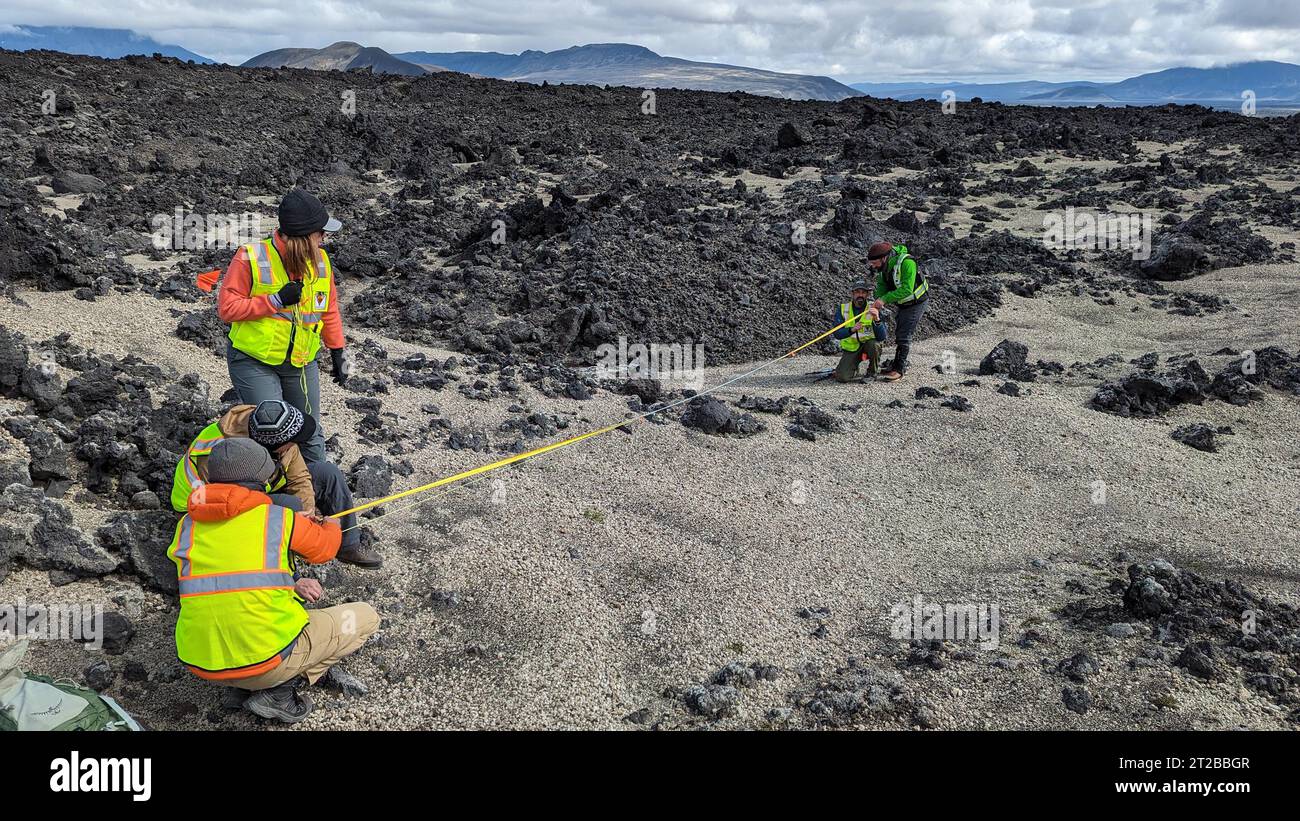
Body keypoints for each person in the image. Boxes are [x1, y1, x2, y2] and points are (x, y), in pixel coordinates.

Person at [167, 438, 379, 724]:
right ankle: (278, 689)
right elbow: (325, 549)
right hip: (264, 660)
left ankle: (241, 689)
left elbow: (232, 574)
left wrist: (293, 581)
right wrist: (325, 521)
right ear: (261, 478)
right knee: (366, 617)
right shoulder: (277, 518)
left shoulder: (186, 527)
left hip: (202, 663)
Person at [217, 188, 354, 464]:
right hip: (253, 361)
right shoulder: (250, 257)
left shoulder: (322, 263)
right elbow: (227, 309)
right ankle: (273, 498)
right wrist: (275, 300)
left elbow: (328, 310)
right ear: (304, 238)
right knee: (272, 432)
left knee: (310, 431)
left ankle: (319, 496)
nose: (325, 238)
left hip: (301, 363)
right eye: (320, 233)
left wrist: (338, 352)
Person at [170, 399, 382, 568]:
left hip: (258, 487)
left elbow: (300, 478)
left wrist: (308, 516)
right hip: (204, 508)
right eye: (293, 441)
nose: (297, 443)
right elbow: (229, 505)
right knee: (288, 505)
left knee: (328, 473)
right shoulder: (226, 454)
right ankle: (284, 557)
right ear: (273, 448)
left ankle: (348, 545)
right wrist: (294, 520)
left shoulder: (271, 423)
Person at [867, 241, 930, 381]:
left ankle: (899, 370)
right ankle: (895, 365)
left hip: (916, 302)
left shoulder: (907, 263)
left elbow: (907, 289)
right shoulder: (884, 268)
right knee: (900, 331)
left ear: (884, 258)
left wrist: (884, 300)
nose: (872, 266)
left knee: (904, 334)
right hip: (903, 303)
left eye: (874, 263)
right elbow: (882, 285)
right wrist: (878, 299)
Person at [831, 280, 888, 382]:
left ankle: (872, 373)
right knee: (842, 377)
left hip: (868, 345)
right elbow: (837, 334)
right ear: (852, 294)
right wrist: (851, 330)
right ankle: (854, 366)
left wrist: (877, 319)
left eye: (863, 292)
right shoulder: (843, 309)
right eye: (857, 292)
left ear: (867, 294)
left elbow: (882, 337)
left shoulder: (873, 308)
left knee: (874, 345)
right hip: (852, 348)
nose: (860, 295)